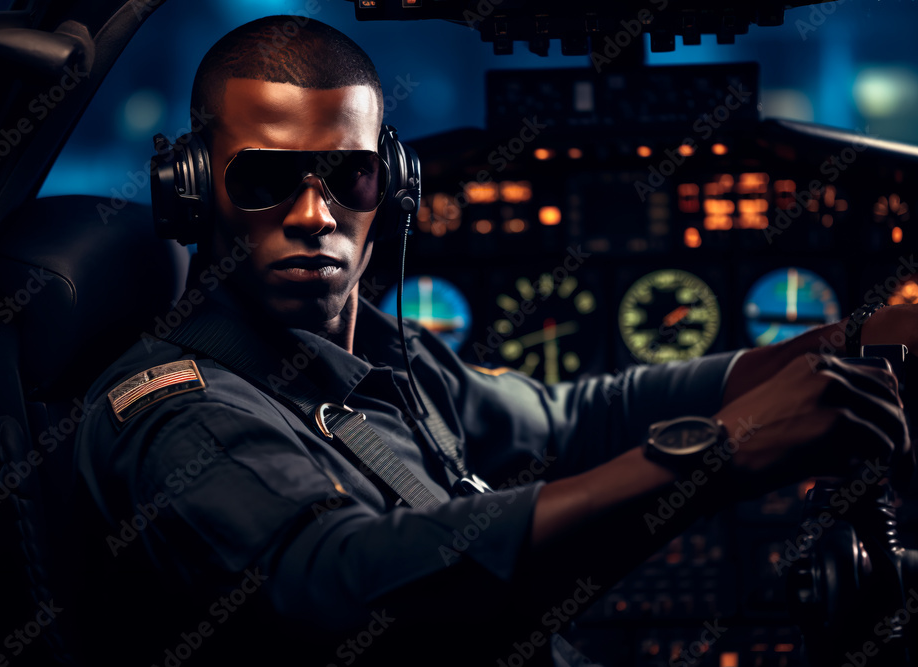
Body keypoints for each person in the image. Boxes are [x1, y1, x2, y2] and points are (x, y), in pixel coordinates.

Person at [71, 15, 914, 667]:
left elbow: (572, 416)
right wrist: (721, 451)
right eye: (264, 179)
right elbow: (339, 578)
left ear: (392, 189)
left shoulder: (389, 361)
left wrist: (852, 339)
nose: (314, 216)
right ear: (190, 192)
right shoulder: (181, 411)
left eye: (349, 176)